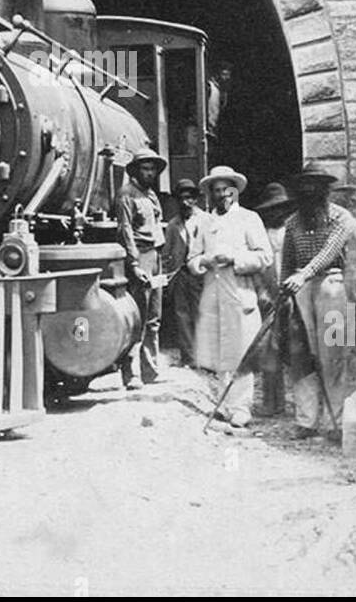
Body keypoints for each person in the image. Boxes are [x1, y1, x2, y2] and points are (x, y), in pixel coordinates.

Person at [280, 163, 356, 437]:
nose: (310, 190)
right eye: (305, 185)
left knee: (333, 354)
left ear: (325, 189)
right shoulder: (293, 222)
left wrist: (304, 274)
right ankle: (306, 420)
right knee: (301, 355)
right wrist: (282, 291)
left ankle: (336, 422)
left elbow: (328, 253)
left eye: (316, 185)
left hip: (332, 286)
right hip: (299, 290)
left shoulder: (341, 218)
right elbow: (287, 261)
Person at [187, 164, 272, 428]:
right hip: (213, 293)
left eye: (227, 190)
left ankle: (241, 407)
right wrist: (205, 261)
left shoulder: (249, 218)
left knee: (241, 351)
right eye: (217, 190)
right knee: (219, 351)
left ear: (235, 192)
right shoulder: (204, 222)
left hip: (240, 292)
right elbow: (191, 259)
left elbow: (264, 256)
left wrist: (234, 258)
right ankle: (224, 404)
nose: (223, 195)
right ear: (210, 194)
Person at [113, 147, 168, 388]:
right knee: (138, 316)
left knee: (154, 317)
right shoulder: (127, 194)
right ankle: (131, 371)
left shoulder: (151, 195)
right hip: (141, 257)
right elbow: (125, 230)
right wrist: (134, 264)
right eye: (145, 168)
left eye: (152, 169)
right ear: (136, 170)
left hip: (154, 256)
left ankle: (150, 370)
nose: (149, 173)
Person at [252, 182, 298, 416]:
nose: (276, 213)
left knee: (298, 349)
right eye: (271, 209)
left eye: (280, 208)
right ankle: (272, 402)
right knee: (270, 350)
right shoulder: (260, 234)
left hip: (294, 295)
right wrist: (262, 292)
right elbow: (258, 267)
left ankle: (301, 405)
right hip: (269, 296)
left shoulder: (293, 231)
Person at [162, 177, 207, 368]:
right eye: (181, 198)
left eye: (189, 198)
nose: (185, 202)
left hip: (201, 274)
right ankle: (189, 358)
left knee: (202, 314)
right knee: (182, 315)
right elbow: (166, 253)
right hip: (180, 275)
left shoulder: (206, 220)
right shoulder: (173, 224)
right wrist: (166, 276)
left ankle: (205, 358)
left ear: (195, 199)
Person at [205, 63, 232, 165]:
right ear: (217, 74)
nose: (227, 78)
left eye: (228, 75)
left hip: (213, 132)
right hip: (206, 131)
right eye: (224, 74)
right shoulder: (209, 87)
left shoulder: (222, 91)